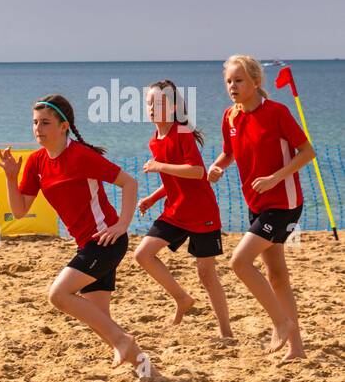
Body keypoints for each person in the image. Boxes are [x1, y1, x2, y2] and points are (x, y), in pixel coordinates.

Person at [0, 94, 147, 372]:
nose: (38, 129)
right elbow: (19, 211)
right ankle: (148, 371)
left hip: (106, 241)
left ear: (63, 126)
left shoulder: (81, 156)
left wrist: (123, 224)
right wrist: (10, 177)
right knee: (101, 319)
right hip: (87, 244)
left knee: (58, 295)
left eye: (45, 123)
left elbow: (129, 183)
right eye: (34, 123)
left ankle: (123, 342)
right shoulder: (36, 162)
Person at [207, 54, 315, 361]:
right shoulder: (230, 116)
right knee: (277, 274)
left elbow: (307, 152)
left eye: (239, 80)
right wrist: (217, 168)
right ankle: (297, 349)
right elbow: (228, 153)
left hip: (284, 203)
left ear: (256, 81)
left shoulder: (277, 112)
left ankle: (281, 323)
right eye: (229, 81)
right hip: (257, 203)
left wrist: (275, 178)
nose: (233, 86)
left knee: (239, 262)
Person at [134, 80, 231, 337]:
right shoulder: (155, 140)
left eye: (159, 102)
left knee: (207, 276)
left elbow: (197, 172)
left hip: (202, 214)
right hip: (175, 212)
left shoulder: (183, 132)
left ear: (174, 106)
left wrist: (158, 167)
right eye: (149, 103)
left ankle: (226, 332)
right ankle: (182, 299)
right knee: (142, 255)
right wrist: (152, 198)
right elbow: (175, 179)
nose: (152, 108)